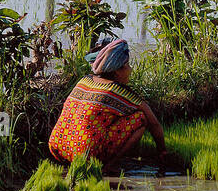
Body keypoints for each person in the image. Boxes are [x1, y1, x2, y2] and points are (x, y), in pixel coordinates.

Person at [48, 37, 165, 166]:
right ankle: (110, 165)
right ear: (116, 71)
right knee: (140, 118)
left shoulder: (84, 81)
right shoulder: (117, 90)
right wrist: (162, 151)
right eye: (127, 65)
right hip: (85, 153)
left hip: (57, 147)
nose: (130, 70)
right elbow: (154, 123)